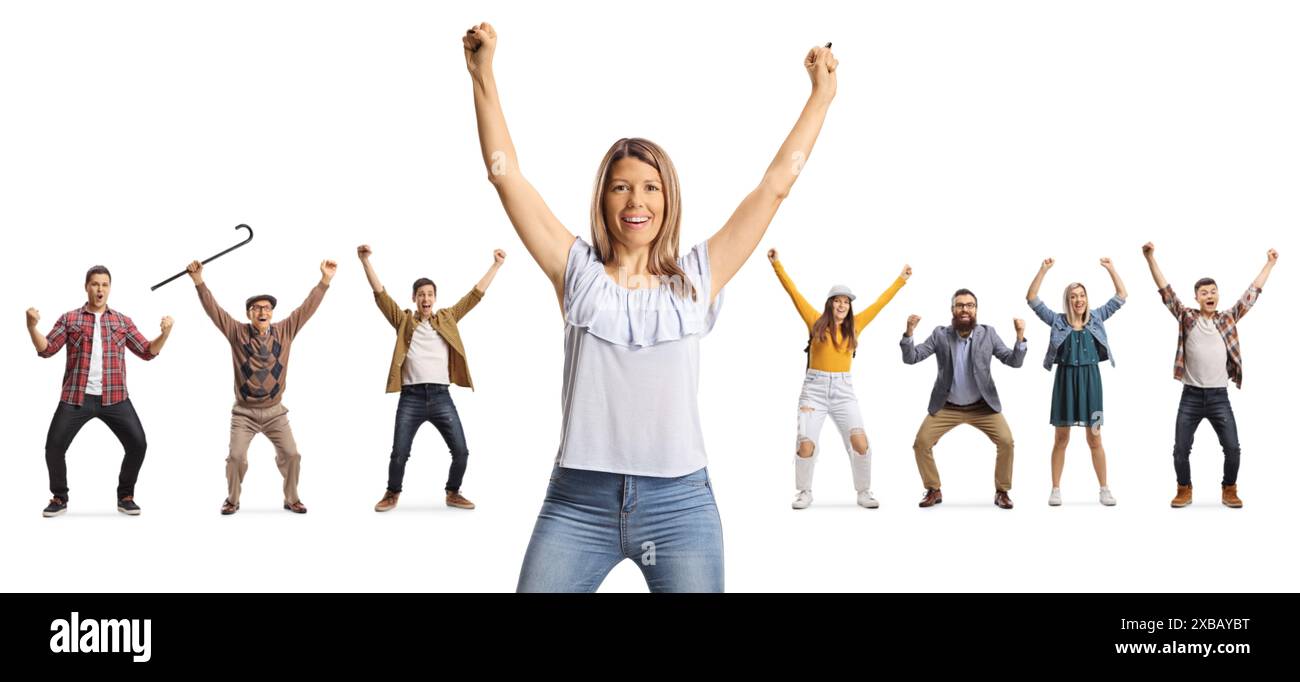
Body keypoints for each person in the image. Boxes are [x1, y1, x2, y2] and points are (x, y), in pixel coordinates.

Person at [463, 22, 837, 591]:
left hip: (678, 507)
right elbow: (503, 175)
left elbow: (774, 187)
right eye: (620, 187)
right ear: (603, 198)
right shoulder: (576, 273)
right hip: (577, 505)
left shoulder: (698, 278)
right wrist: (482, 73)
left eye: (650, 187)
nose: (636, 200)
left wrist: (821, 96)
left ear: (668, 199)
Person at [357, 244, 505, 512]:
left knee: (461, 451)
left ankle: (453, 492)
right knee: (399, 453)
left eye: (430, 294)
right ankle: (392, 493)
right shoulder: (403, 321)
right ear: (414, 298)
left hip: (440, 396)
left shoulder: (448, 318)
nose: (426, 298)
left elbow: (475, 296)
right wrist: (365, 261)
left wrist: (495, 265)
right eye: (421, 294)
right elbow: (380, 295)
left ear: (434, 298)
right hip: (411, 397)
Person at [186, 257, 336, 515]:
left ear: (272, 313)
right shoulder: (237, 332)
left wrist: (324, 280)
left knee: (292, 455)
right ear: (249, 314)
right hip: (244, 414)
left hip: (275, 412)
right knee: (235, 458)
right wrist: (199, 282)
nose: (262, 312)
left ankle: (291, 499)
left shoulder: (285, 330)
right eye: (256, 308)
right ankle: (232, 499)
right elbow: (214, 310)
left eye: (266, 308)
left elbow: (307, 308)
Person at [768, 247, 909, 509]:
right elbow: (793, 293)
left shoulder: (856, 326)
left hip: (843, 390)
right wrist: (777, 264)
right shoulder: (814, 321)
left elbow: (880, 302)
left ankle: (864, 491)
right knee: (805, 444)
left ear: (849, 307)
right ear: (830, 303)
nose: (842, 304)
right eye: (837, 300)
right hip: (814, 390)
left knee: (860, 441)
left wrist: (901, 280)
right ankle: (804, 492)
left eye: (846, 301)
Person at [29, 265, 174, 517]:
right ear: (86, 286)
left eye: (104, 284)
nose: (100, 289)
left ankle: (125, 496)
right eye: (95, 284)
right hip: (76, 397)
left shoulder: (121, 321)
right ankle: (59, 497)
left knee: (138, 444)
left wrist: (165, 333)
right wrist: (31, 327)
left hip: (115, 397)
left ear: (109, 288)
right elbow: (47, 349)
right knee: (53, 447)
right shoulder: (70, 318)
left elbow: (147, 351)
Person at [1142, 242, 1278, 508]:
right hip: (1190, 396)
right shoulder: (1187, 317)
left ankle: (1229, 488)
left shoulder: (1227, 318)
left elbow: (1251, 294)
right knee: (1180, 449)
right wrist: (1150, 258)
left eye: (1213, 292)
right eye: (1204, 292)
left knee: (1233, 448)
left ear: (1217, 296)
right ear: (1197, 298)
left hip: (1219, 397)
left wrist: (1270, 264)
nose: (1209, 295)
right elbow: (1165, 291)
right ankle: (1184, 488)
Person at [901, 290, 1026, 509]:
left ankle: (1002, 491)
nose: (965, 309)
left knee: (1006, 441)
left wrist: (1020, 337)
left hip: (982, 407)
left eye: (970, 305)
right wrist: (909, 333)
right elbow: (912, 358)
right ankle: (933, 489)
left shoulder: (988, 334)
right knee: (921, 443)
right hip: (947, 406)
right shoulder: (940, 335)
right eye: (960, 305)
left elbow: (1014, 361)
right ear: (952, 310)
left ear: (976, 310)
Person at [1025, 257, 1127, 506]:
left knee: (1095, 437)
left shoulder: (1097, 317)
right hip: (1064, 384)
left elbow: (1122, 295)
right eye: (1073, 296)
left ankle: (1104, 489)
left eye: (1082, 295)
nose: (1079, 299)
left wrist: (1111, 269)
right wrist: (1043, 270)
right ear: (1068, 300)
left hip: (1092, 384)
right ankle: (1055, 489)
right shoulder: (1058, 320)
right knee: (1061, 438)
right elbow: (1032, 298)